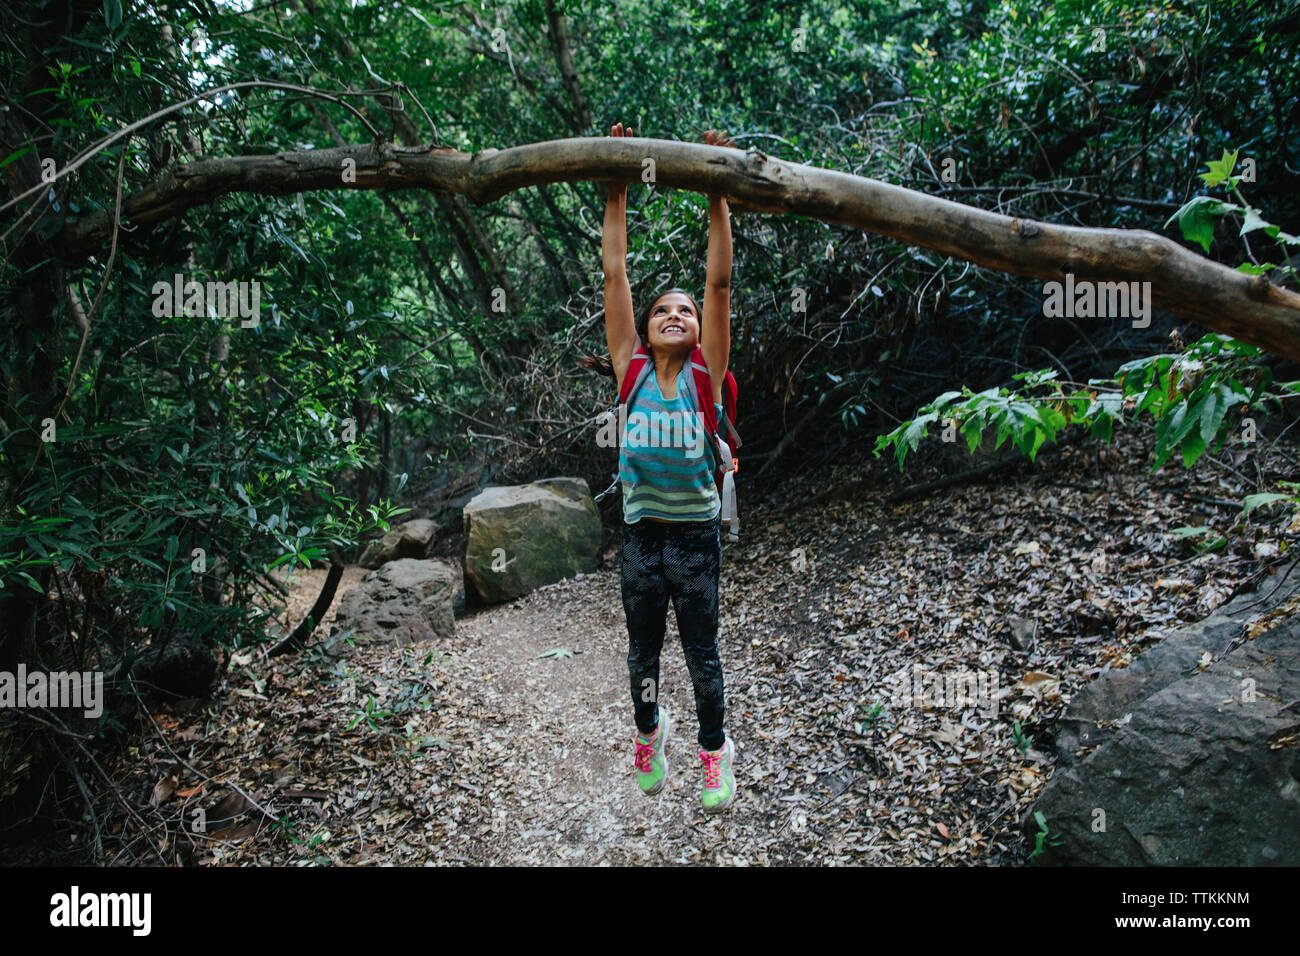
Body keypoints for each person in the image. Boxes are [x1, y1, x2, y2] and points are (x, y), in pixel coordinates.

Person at [581, 122, 737, 813]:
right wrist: (615, 192)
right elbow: (615, 272)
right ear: (643, 330)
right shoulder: (630, 369)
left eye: (685, 310)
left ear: (698, 329)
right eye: (663, 309)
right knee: (643, 657)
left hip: (697, 539)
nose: (677, 313)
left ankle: (714, 751)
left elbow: (720, 283)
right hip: (643, 539)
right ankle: (650, 731)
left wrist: (716, 195)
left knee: (702, 655)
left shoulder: (708, 370)